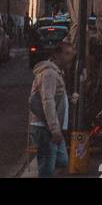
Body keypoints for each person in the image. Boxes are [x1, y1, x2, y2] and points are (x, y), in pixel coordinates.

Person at [28, 38, 75, 179]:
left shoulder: (57, 73)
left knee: (62, 161)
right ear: (57, 55)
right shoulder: (50, 74)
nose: (70, 58)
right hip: (45, 127)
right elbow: (47, 101)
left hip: (51, 126)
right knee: (47, 168)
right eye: (67, 54)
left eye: (71, 54)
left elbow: (55, 99)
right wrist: (54, 129)